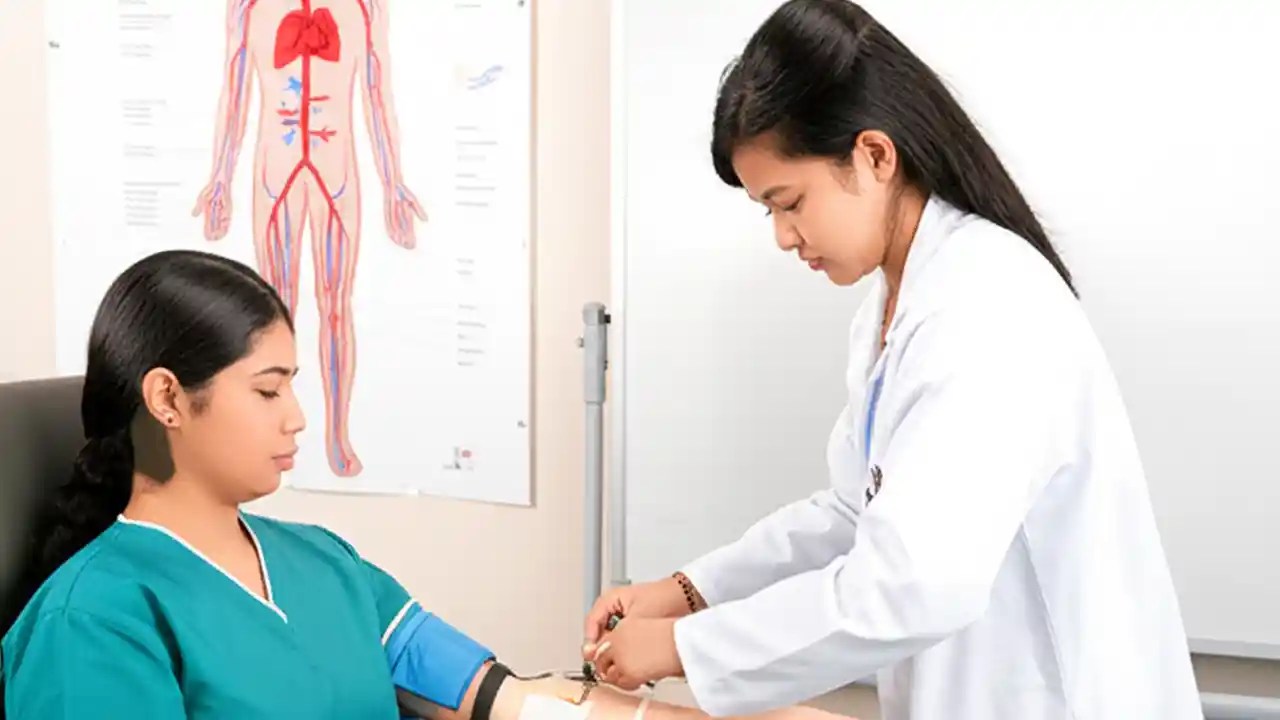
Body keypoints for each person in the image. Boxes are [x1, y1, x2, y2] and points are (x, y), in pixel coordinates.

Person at [582, 1, 1203, 719]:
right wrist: (690, 589)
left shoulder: (986, 308)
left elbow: (912, 585)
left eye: (790, 202)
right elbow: (855, 510)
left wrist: (684, 645)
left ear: (874, 155)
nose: (784, 237)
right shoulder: (898, 307)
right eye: (768, 212)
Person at [0, 249, 859, 720]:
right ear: (167, 399)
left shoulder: (325, 566)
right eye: (268, 390)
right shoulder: (95, 621)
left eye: (297, 384)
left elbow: (509, 703)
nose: (300, 418)